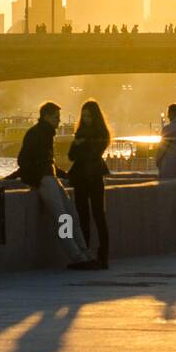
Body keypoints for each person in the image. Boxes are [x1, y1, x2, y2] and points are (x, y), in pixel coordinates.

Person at [16, 102, 97, 268]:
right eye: (56, 118)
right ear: (46, 116)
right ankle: (77, 257)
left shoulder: (44, 132)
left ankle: (83, 252)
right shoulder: (38, 133)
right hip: (45, 180)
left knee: (71, 215)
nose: (59, 121)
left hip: (50, 178)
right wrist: (37, 178)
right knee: (64, 219)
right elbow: (24, 160)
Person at [67, 99, 112, 269]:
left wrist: (81, 145)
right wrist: (76, 145)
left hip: (94, 177)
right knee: (82, 216)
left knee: (99, 216)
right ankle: (84, 256)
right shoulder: (80, 133)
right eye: (83, 116)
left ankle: (103, 256)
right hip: (80, 178)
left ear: (95, 117)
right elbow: (71, 156)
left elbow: (93, 154)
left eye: (89, 116)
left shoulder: (101, 133)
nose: (86, 119)